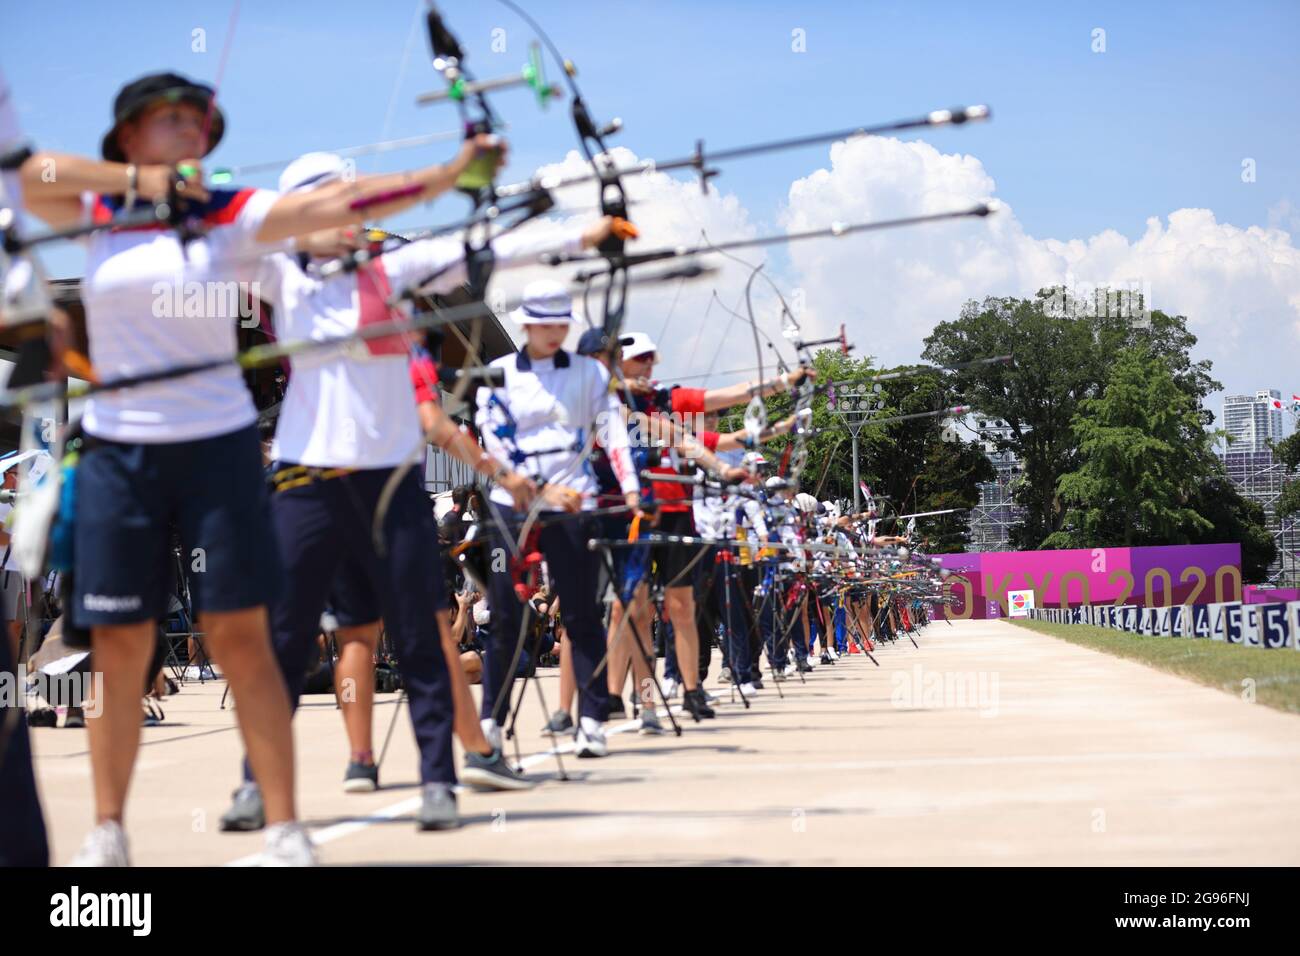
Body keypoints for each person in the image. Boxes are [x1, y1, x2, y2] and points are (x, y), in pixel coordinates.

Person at [20, 71, 499, 864]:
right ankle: (108, 831)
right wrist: (140, 186)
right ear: (129, 136)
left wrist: (450, 174)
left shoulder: (229, 214)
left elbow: (342, 207)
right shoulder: (98, 211)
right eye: (167, 121)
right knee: (119, 646)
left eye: (197, 124)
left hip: (218, 450)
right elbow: (31, 174)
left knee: (244, 638)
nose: (189, 132)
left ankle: (284, 825)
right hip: (118, 451)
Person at [475, 280, 641, 759]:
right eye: (543, 323)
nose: (553, 332)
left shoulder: (589, 374)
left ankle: (591, 720)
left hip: (576, 506)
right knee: (506, 614)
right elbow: (494, 440)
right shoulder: (499, 372)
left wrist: (629, 486)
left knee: (581, 614)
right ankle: (490, 720)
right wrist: (531, 487)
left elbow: (612, 428)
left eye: (561, 323)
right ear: (526, 323)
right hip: (513, 508)